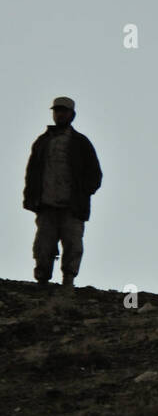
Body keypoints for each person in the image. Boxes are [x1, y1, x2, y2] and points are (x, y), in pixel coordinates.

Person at [23, 96, 103, 289]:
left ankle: (68, 282)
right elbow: (32, 172)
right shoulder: (42, 142)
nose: (59, 114)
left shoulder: (81, 143)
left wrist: (83, 194)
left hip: (72, 207)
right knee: (43, 245)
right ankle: (42, 281)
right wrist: (31, 198)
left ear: (72, 115)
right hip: (46, 205)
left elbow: (94, 174)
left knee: (73, 245)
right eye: (57, 111)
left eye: (63, 111)